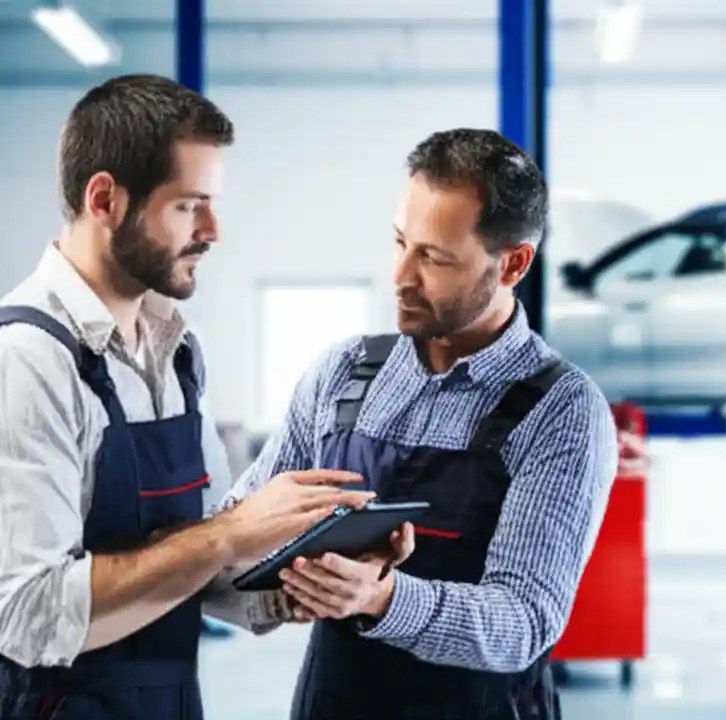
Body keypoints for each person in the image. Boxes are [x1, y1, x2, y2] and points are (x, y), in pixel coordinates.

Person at [0, 74, 373, 720]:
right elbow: (30, 617)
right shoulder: (27, 361)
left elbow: (194, 559)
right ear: (105, 199)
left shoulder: (176, 350)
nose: (213, 229)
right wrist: (230, 533)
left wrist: (299, 577)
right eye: (188, 205)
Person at [224, 128, 618, 719]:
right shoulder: (342, 375)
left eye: (433, 257)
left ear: (513, 264)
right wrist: (284, 586)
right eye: (399, 242)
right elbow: (237, 534)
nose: (401, 276)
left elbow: (523, 621)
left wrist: (382, 600)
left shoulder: (561, 410)